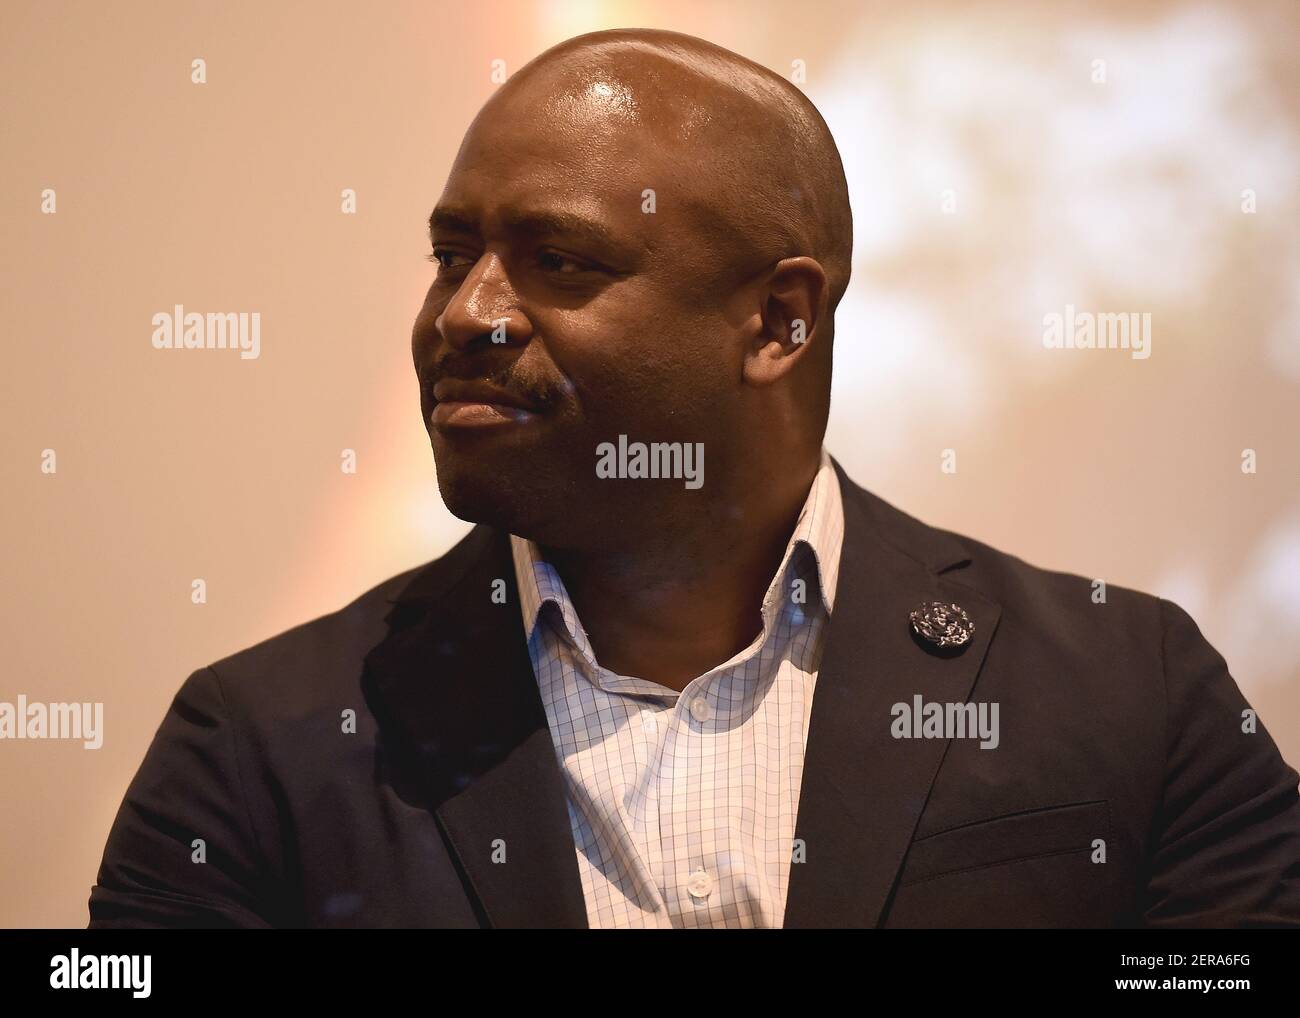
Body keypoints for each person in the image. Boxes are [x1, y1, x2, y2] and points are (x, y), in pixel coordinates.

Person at [88, 28, 1300, 928]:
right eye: (451, 254)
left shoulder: (1126, 692)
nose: (466, 313)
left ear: (777, 321)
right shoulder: (261, 743)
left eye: (556, 260)